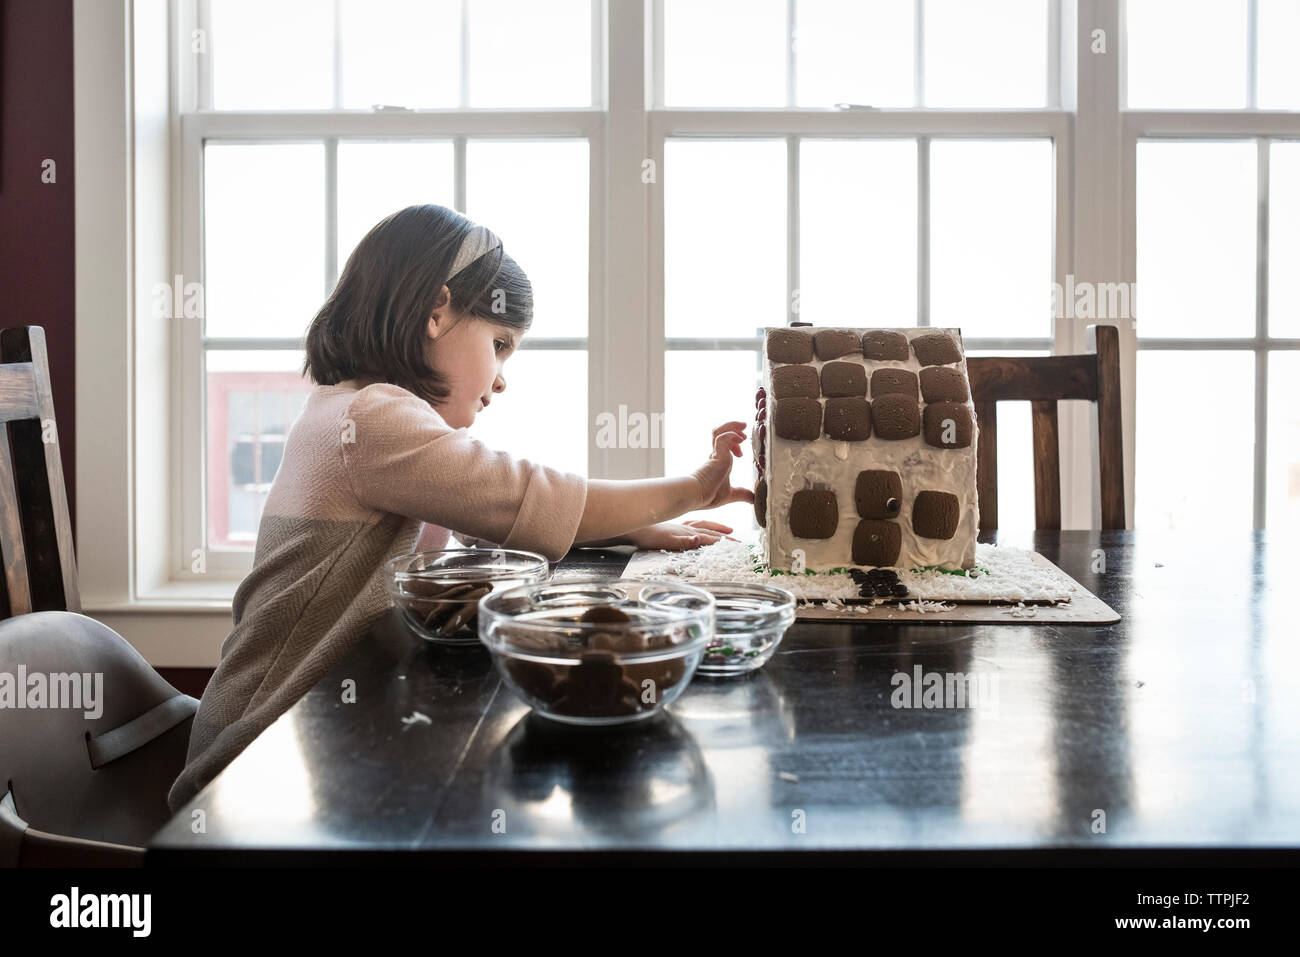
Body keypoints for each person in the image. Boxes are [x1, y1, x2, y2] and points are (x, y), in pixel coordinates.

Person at [167, 204, 752, 811]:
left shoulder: (352, 410)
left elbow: (489, 520)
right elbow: (520, 495)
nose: (501, 379)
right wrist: (692, 486)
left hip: (319, 740)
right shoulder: (371, 420)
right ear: (437, 309)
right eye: (500, 345)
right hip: (256, 760)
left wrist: (634, 526)